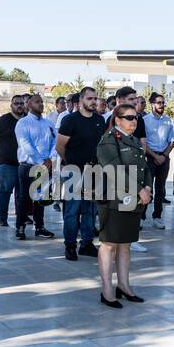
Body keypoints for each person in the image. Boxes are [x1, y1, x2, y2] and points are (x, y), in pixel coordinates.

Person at [93, 101, 153, 307]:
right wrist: (139, 189)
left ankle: (124, 286)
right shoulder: (108, 141)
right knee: (109, 245)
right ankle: (107, 289)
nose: (134, 121)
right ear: (117, 119)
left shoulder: (134, 140)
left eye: (135, 117)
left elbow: (145, 168)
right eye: (128, 117)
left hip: (132, 201)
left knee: (125, 244)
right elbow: (114, 169)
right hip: (113, 199)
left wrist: (149, 188)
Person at [56, 85, 105, 261]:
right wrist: (69, 162)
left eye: (95, 99)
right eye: (89, 99)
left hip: (93, 171)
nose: (93, 102)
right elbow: (60, 146)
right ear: (81, 101)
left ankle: (86, 244)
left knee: (90, 210)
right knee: (72, 210)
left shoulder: (100, 120)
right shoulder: (70, 120)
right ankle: (70, 245)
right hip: (73, 171)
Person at [14, 93, 56, 240]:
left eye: (42, 101)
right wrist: (41, 162)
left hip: (45, 165)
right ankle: (20, 226)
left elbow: (55, 141)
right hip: (28, 166)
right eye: (37, 102)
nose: (41, 104)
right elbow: (25, 145)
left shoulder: (48, 123)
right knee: (24, 198)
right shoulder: (23, 123)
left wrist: (50, 159)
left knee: (42, 197)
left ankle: (40, 227)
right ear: (29, 105)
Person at [0, 95, 25, 227]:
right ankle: (2, 217)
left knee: (22, 194)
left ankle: (22, 217)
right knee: (5, 191)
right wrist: (3, 147)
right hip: (6, 164)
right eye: (16, 103)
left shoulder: (27, 119)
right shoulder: (3, 120)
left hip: (24, 164)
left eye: (21, 103)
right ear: (11, 105)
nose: (19, 106)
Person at [141, 92, 174, 228]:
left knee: (160, 189)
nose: (162, 105)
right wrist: (155, 156)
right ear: (152, 104)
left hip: (164, 157)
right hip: (150, 157)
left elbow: (172, 141)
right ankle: (142, 217)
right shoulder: (145, 120)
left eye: (163, 103)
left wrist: (164, 156)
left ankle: (157, 216)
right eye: (159, 103)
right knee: (147, 187)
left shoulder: (168, 121)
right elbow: (143, 142)